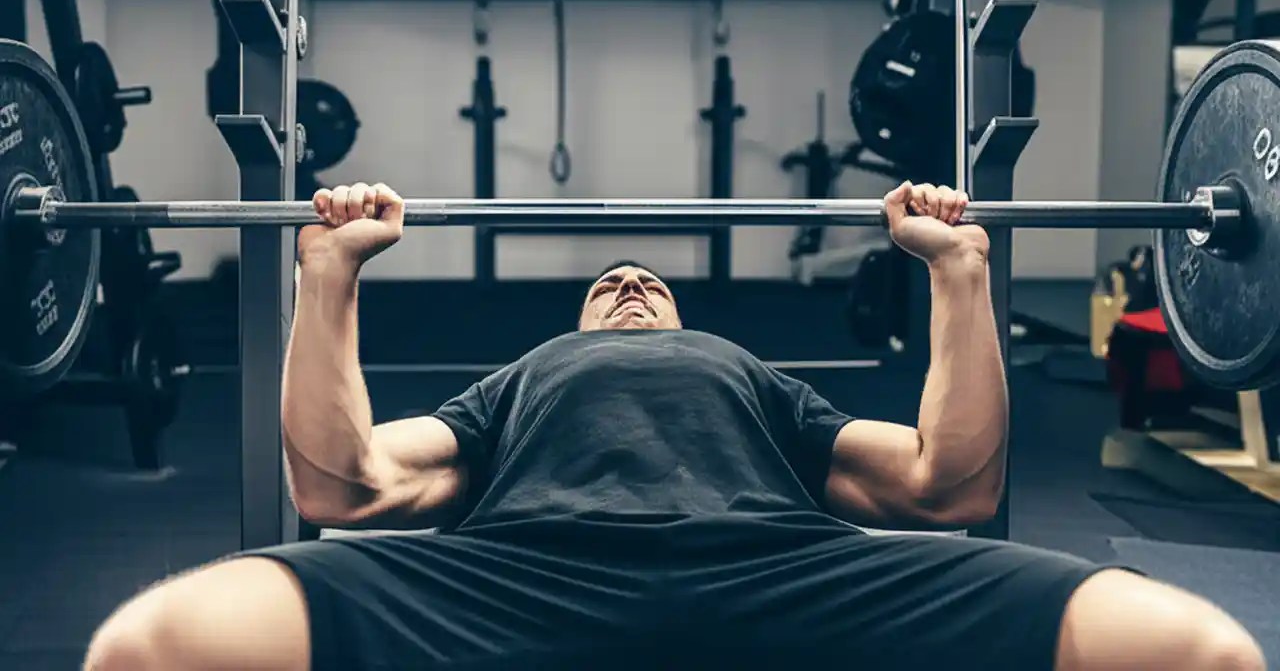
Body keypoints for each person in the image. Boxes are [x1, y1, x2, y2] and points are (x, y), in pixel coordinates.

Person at [84, 182, 1265, 671]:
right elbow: (349, 490)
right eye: (608, 282)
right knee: (156, 643)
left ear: (689, 318)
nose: (631, 284)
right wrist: (329, 268)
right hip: (519, 577)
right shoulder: (525, 377)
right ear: (579, 319)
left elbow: (941, 488)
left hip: (785, 570)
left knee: (1191, 651)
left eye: (649, 281)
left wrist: (960, 267)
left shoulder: (744, 373)